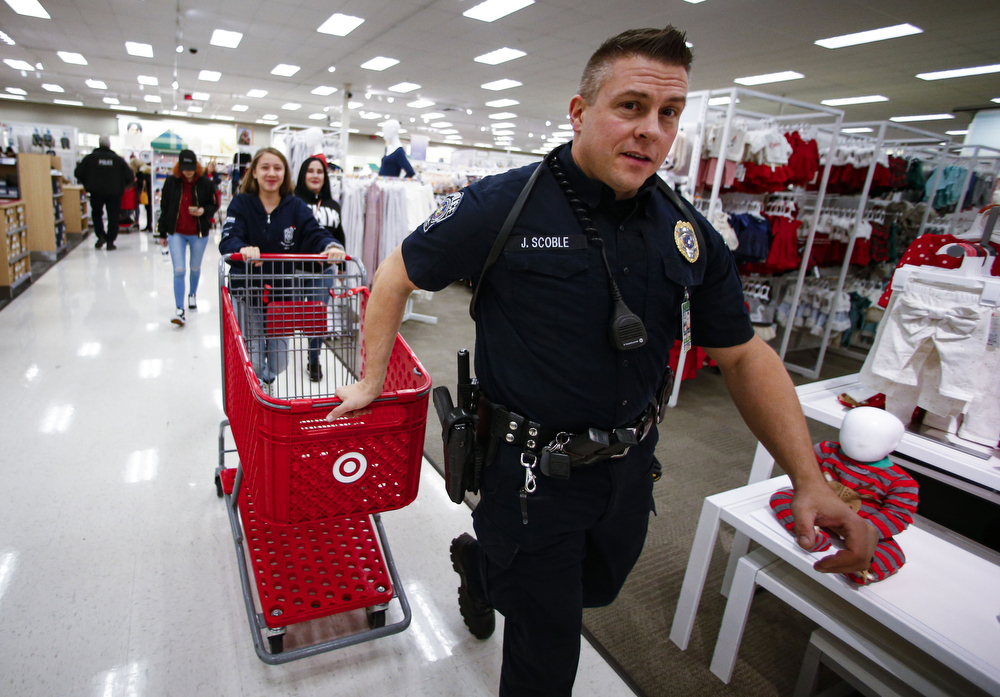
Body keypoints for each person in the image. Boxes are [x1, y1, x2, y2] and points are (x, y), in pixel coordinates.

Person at [327, 26, 879, 697]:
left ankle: (481, 566)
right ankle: (499, 570)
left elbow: (742, 355)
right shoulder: (504, 204)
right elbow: (396, 273)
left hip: (629, 471)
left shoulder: (685, 228)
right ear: (580, 111)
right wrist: (371, 378)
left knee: (598, 586)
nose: (651, 129)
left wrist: (808, 478)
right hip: (528, 474)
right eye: (631, 106)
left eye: (669, 113)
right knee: (547, 649)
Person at [219, 147, 346, 390]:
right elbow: (228, 238)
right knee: (254, 358)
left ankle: (267, 379)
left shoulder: (295, 205)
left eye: (277, 168)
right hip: (247, 290)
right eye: (265, 167)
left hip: (282, 294)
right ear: (254, 172)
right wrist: (242, 249)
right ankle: (258, 389)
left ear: (285, 173)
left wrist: (330, 246)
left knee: (279, 361)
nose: (271, 173)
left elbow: (314, 231)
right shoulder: (241, 202)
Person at [294, 154, 347, 382]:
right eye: (310, 171)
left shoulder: (333, 205)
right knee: (286, 315)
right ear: (302, 175)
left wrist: (342, 265)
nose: (315, 176)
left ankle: (314, 359)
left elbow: (338, 234)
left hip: (323, 272)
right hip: (293, 271)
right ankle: (275, 358)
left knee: (317, 317)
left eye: (319, 172)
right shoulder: (292, 201)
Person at [156, 149, 219, 326]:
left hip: (199, 232)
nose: (188, 171)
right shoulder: (171, 182)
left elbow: (214, 205)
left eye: (191, 168)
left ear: (196, 166)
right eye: (185, 168)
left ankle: (192, 294)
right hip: (176, 232)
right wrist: (162, 232)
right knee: (179, 270)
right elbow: (165, 207)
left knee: (195, 267)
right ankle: (179, 309)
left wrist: (203, 211)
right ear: (179, 167)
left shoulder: (206, 183)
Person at [74, 135, 134, 250]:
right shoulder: (117, 160)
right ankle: (110, 240)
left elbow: (78, 173)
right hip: (114, 193)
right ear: (109, 145)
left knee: (97, 214)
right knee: (113, 216)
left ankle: (100, 235)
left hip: (96, 192)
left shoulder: (90, 159)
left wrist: (87, 183)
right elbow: (129, 176)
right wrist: (122, 186)